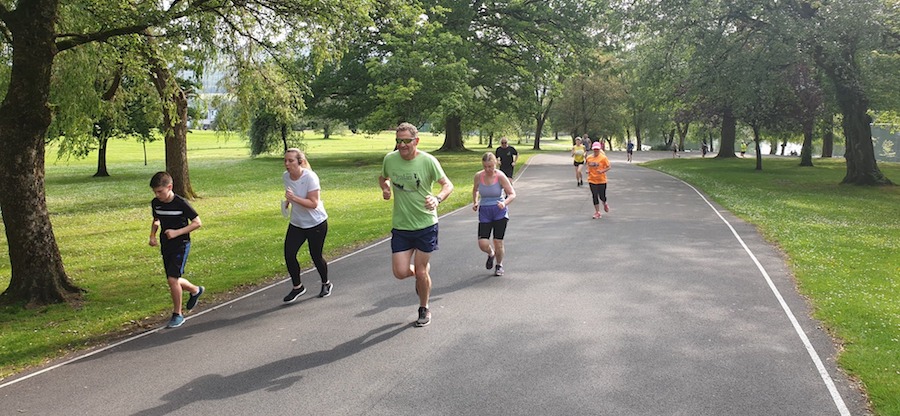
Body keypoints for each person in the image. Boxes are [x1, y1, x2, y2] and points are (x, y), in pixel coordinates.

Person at [379, 122, 454, 327]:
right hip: (401, 226)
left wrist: (437, 199)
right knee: (400, 272)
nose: (402, 145)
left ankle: (424, 307)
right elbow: (383, 178)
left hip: (425, 225)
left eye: (407, 141)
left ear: (416, 141)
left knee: (421, 272)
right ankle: (422, 277)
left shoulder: (428, 161)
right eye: (399, 140)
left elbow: (448, 184)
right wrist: (385, 188)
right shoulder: (390, 159)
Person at [149, 171, 204, 328]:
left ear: (170, 187)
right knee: (173, 279)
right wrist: (152, 236)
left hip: (181, 244)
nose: (157, 195)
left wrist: (177, 232)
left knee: (173, 279)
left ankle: (177, 314)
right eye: (155, 192)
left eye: (160, 191)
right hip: (166, 244)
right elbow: (156, 220)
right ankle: (195, 290)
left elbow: (197, 223)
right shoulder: (156, 203)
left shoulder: (181, 203)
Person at [281, 148, 332, 303]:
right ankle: (297, 287)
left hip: (316, 223)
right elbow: (292, 192)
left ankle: (326, 283)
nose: (287, 164)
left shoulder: (310, 177)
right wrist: (288, 202)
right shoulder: (286, 176)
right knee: (289, 254)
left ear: (300, 162)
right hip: (297, 222)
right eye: (285, 160)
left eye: (291, 161)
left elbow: (313, 203)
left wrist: (293, 198)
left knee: (316, 256)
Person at [472, 153, 516, 276]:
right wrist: (475, 202)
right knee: (483, 243)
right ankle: (491, 254)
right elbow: (475, 190)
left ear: (495, 164)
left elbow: (512, 194)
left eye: (490, 166)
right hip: (485, 212)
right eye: (485, 166)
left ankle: (499, 265)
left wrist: (504, 203)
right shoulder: (478, 176)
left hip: (499, 211)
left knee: (498, 242)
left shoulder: (500, 176)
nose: (488, 169)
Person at [586, 142, 611, 219]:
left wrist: (602, 171)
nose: (596, 151)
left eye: (597, 149)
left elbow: (609, 167)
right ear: (592, 149)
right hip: (592, 179)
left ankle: (605, 203)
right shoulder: (589, 158)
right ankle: (597, 212)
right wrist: (588, 170)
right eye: (594, 149)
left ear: (599, 149)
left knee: (602, 196)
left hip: (601, 180)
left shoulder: (603, 158)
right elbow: (588, 165)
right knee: (594, 195)